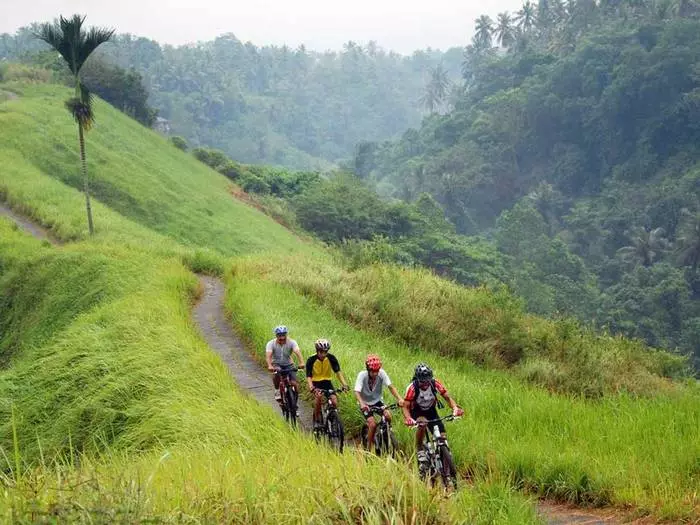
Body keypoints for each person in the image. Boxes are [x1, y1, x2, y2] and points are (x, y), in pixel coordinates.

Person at [402, 363, 463, 473]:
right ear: (417, 379)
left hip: (431, 410)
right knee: (423, 423)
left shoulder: (435, 383)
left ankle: (445, 460)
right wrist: (408, 418)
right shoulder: (412, 388)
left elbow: (447, 398)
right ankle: (419, 449)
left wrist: (455, 408)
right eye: (422, 381)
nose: (425, 384)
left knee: (442, 436)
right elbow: (405, 406)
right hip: (417, 410)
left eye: (427, 381)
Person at [354, 354, 404, 452]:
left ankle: (386, 434)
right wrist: (362, 404)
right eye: (373, 371)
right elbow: (357, 391)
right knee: (372, 424)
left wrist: (399, 399)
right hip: (365, 403)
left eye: (377, 371)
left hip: (377, 401)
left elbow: (391, 387)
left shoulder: (382, 373)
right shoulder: (362, 375)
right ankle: (368, 448)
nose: (375, 373)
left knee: (388, 416)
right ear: (368, 370)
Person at [305, 339, 349, 429]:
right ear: (317, 351)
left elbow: (338, 372)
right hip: (315, 382)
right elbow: (308, 375)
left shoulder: (331, 358)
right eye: (321, 352)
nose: (323, 354)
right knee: (319, 397)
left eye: (325, 352)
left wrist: (344, 384)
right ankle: (317, 419)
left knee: (334, 401)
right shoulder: (311, 359)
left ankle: (333, 420)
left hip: (327, 382)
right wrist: (311, 386)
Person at [265, 325, 304, 404]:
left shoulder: (292, 342)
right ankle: (277, 390)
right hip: (276, 364)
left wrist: (301, 362)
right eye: (279, 336)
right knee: (277, 373)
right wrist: (270, 365)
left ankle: (294, 404)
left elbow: (297, 352)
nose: (282, 338)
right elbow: (268, 356)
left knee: (295, 384)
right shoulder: (271, 343)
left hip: (289, 364)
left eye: (284, 335)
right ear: (276, 336)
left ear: (286, 335)